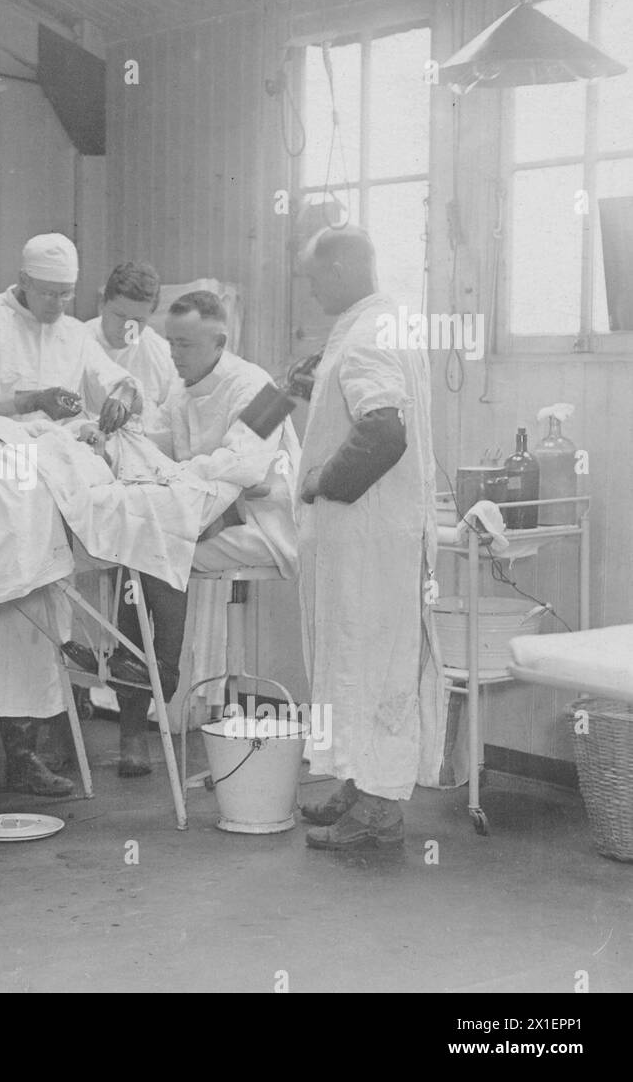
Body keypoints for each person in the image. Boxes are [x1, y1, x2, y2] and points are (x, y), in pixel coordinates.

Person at [0, 233, 144, 810]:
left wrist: (123, 394)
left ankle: (23, 759)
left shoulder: (73, 334)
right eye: (46, 294)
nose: (56, 306)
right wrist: (29, 400)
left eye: (67, 296)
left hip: (38, 500)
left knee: (36, 627)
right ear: (22, 282)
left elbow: (114, 378)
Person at [108, 291, 299, 775]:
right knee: (136, 549)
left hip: (265, 524)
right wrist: (118, 431)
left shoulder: (263, 390)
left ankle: (155, 678)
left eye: (186, 345)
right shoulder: (181, 392)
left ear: (220, 341)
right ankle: (137, 692)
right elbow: (160, 450)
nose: (174, 355)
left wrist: (187, 480)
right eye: (171, 343)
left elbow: (246, 463)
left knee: (155, 550)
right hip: (210, 518)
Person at [295, 224, 437, 850]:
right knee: (361, 664)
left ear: (343, 268)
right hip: (381, 535)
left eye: (315, 276)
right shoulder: (388, 323)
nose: (311, 288)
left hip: (366, 539)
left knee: (368, 668)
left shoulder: (365, 334)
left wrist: (322, 479)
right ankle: (359, 783)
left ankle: (378, 809)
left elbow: (383, 431)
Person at [85, 262, 178, 406]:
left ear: (149, 316)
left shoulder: (163, 357)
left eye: (137, 320)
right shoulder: (76, 344)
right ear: (102, 304)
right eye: (119, 315)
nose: (127, 328)